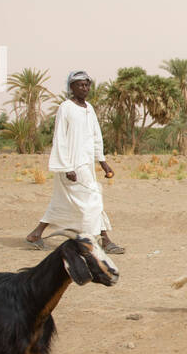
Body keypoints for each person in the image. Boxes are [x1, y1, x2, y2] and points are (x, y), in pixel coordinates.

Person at [24, 70, 124, 253]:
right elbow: (60, 138)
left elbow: (96, 137)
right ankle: (105, 240)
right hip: (71, 166)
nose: (84, 88)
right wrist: (67, 167)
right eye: (80, 85)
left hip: (86, 165)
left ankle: (35, 235)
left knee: (61, 203)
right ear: (71, 87)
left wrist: (102, 161)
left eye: (87, 85)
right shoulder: (66, 107)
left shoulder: (90, 109)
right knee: (94, 199)